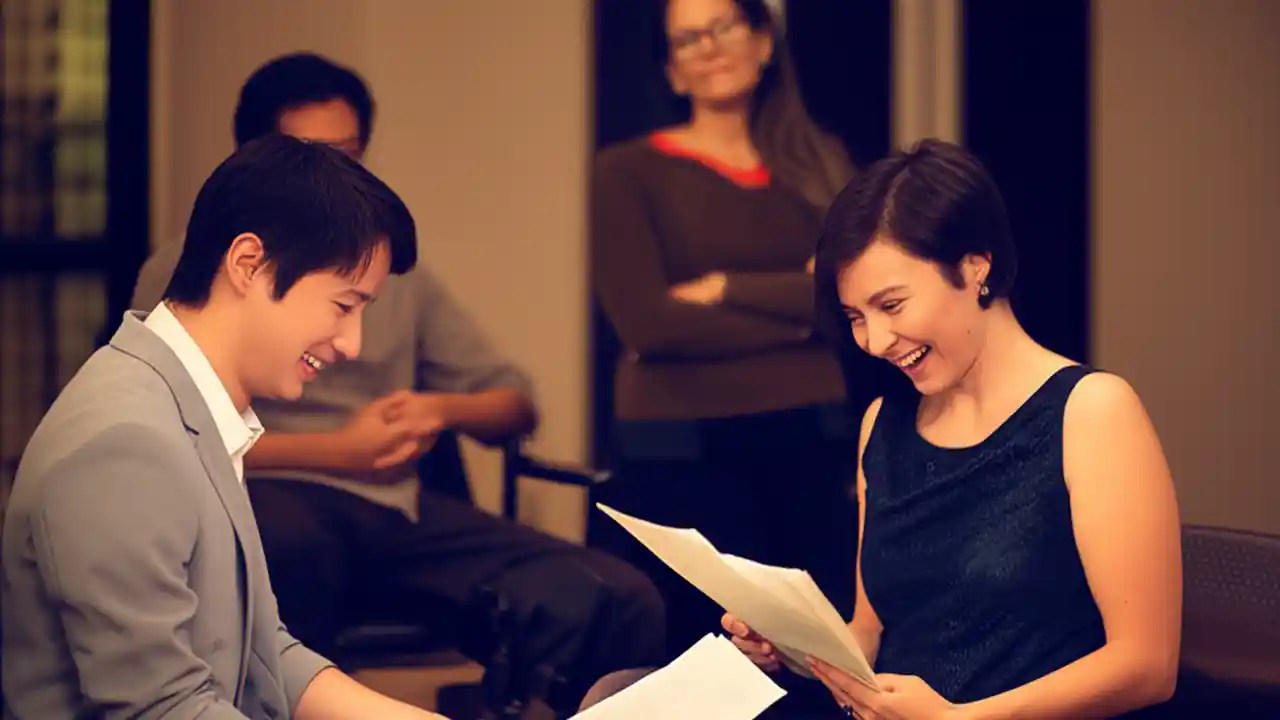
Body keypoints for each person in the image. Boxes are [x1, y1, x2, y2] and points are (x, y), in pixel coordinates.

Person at [131, 53, 664, 713]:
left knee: (611, 590)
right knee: (286, 554)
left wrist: (434, 409)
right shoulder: (195, 275)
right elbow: (178, 431)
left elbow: (512, 399)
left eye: (350, 155)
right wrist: (337, 450)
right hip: (275, 500)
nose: (350, 339)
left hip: (396, 505)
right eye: (312, 154)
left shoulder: (393, 272)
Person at [724, 139, 1182, 718]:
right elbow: (869, 634)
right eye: (856, 318)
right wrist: (792, 650)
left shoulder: (1092, 413)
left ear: (974, 267)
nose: (874, 342)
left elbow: (1146, 665)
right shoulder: (884, 427)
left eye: (892, 306)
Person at [1, 135, 447, 718]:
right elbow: (164, 709)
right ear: (247, 265)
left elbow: (262, 650)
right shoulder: (126, 443)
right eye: (343, 306)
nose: (352, 344)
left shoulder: (189, 406)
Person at [589, 0, 872, 664]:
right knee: (710, 644)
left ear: (764, 41)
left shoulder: (821, 165)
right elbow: (648, 323)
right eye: (686, 40)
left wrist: (723, 288)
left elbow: (847, 302)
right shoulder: (627, 171)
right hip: (680, 443)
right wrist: (796, 309)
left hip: (810, 431)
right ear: (672, 70)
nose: (707, 47)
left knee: (815, 646)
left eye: (722, 28)